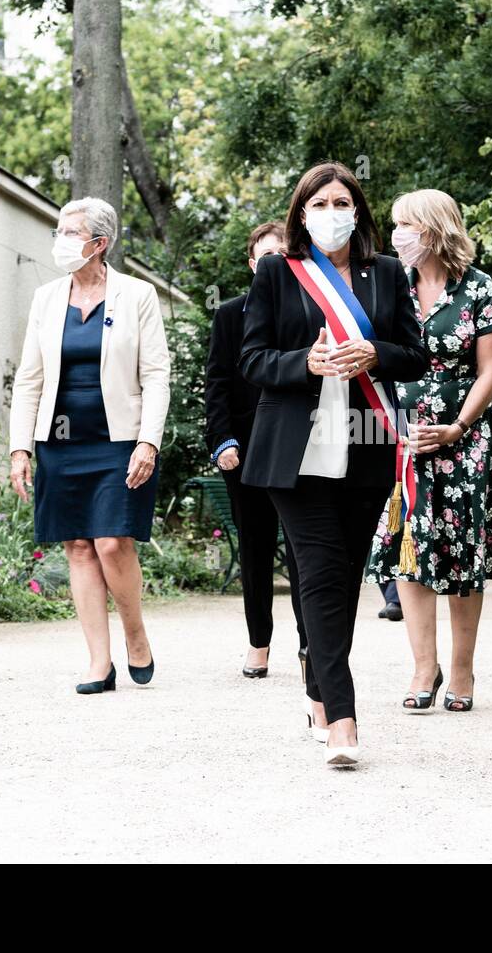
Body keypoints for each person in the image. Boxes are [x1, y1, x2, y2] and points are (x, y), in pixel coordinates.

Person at [239, 162, 426, 767]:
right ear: (300, 214)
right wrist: (305, 363)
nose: (330, 212)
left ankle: (318, 689)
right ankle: (343, 718)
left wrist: (377, 352)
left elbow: (416, 357)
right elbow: (253, 361)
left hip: (367, 443)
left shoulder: (388, 275)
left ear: (358, 211)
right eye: (317, 204)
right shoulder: (276, 271)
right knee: (319, 572)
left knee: (344, 578)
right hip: (295, 451)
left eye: (341, 201)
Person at [365, 189, 492, 714]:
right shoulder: (392, 283)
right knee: (410, 555)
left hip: (466, 439)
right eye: (394, 225)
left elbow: (491, 370)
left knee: (462, 554)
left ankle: (461, 669)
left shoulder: (478, 288)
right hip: (405, 438)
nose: (396, 235)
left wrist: (458, 426)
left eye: (406, 225)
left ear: (434, 228)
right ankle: (422, 665)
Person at [8, 197, 170, 694]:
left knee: (113, 541)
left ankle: (135, 635)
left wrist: (149, 441)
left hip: (119, 440)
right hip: (60, 441)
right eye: (59, 230)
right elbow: (30, 378)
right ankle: (99, 663)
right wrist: (20, 447)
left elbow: (156, 374)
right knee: (79, 545)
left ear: (99, 244)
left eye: (70, 232)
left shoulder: (137, 295)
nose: (60, 240)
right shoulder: (46, 298)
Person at [204, 221, 307, 679]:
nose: (273, 262)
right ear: (252, 264)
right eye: (265, 255)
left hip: (299, 445)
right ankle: (258, 644)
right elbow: (217, 385)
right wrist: (222, 440)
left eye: (281, 254)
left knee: (307, 549)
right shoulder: (230, 315)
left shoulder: (308, 310)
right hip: (243, 452)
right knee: (256, 549)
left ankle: (311, 644)